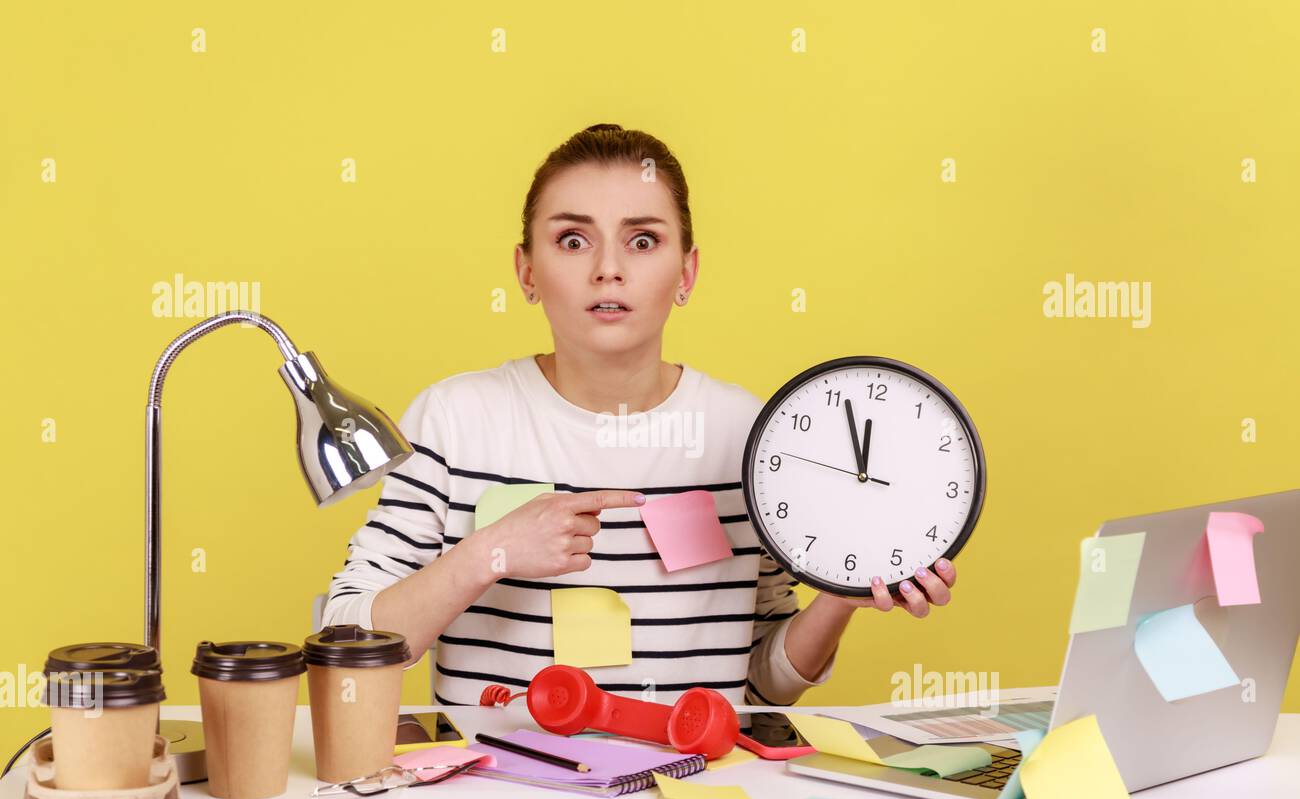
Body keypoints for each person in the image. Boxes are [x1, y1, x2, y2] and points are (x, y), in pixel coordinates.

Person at [321, 123, 957, 707]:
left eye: (643, 240)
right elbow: (344, 642)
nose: (607, 270)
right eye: (573, 240)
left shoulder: (749, 435)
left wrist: (841, 599)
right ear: (526, 271)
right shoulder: (455, 420)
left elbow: (762, 682)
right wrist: (488, 554)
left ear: (686, 271)